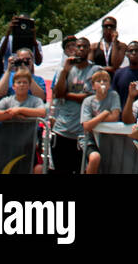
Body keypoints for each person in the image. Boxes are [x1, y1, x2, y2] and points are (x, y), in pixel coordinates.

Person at [50, 36, 96, 175]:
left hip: (81, 133)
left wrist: (67, 94)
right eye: (78, 46)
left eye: (84, 46)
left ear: (89, 49)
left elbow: (89, 97)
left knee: (78, 169)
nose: (81, 49)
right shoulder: (64, 69)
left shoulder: (94, 69)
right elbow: (57, 93)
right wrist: (65, 71)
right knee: (60, 170)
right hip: (62, 128)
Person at [80, 69, 121, 174]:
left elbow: (115, 117)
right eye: (99, 81)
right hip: (90, 140)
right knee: (95, 158)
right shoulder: (88, 101)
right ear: (93, 86)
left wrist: (95, 119)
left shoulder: (114, 96)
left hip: (109, 139)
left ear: (109, 84)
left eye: (105, 80)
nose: (102, 83)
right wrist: (104, 113)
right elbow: (87, 125)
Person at [112, 41, 138, 107]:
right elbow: (114, 97)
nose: (134, 53)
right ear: (126, 54)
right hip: (123, 115)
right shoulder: (119, 74)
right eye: (131, 50)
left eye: (137, 50)